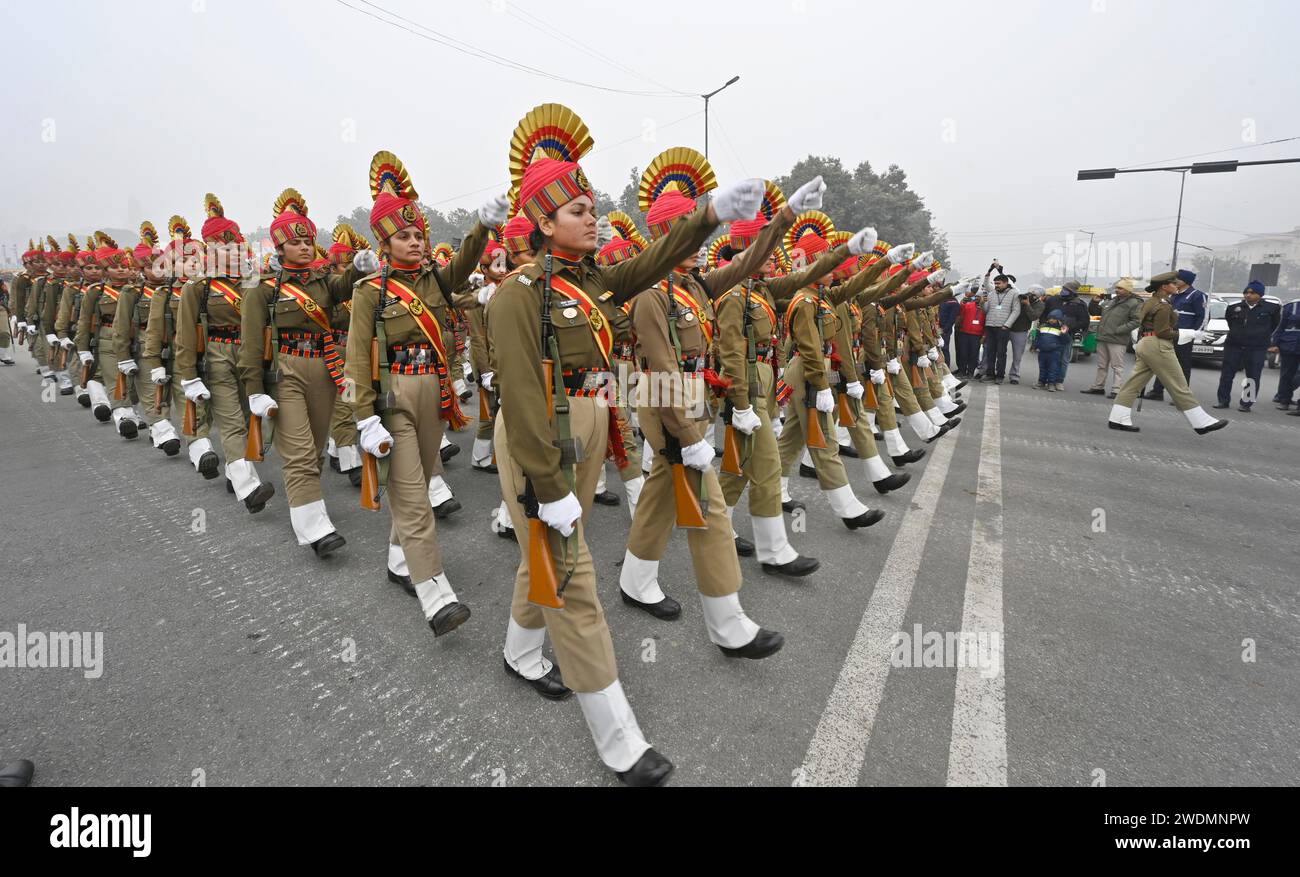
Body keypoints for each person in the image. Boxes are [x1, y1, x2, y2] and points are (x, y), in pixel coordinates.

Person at [490, 103, 766, 785]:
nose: (594, 218)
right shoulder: (517, 295)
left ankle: (520, 651)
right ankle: (619, 739)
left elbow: (657, 257)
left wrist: (711, 214)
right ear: (544, 223)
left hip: (591, 417)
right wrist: (546, 482)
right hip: (542, 432)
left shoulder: (594, 280)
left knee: (545, 551)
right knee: (570, 567)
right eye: (578, 210)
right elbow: (521, 398)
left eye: (592, 208)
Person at [345, 150, 502, 632]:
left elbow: (467, 259)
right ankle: (435, 591)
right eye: (404, 236)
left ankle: (399, 559)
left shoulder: (435, 279)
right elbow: (356, 360)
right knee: (413, 494)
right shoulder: (369, 292)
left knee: (415, 479)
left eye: (418, 235)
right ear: (384, 243)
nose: (414, 242)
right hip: (393, 398)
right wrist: (363, 417)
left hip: (435, 392)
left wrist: (482, 226)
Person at [239, 188, 368, 558]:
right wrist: (254, 388)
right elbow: (251, 342)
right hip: (286, 370)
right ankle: (314, 527)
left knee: (314, 447)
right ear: (279, 248)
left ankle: (309, 502)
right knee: (297, 451)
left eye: (309, 241)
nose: (305, 247)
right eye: (296, 242)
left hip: (325, 368)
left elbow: (342, 288)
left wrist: (358, 266)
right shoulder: (262, 287)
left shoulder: (321, 280)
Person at [174, 194, 276, 512]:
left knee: (247, 418)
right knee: (231, 421)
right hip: (218, 353)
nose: (231, 252)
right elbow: (185, 336)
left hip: (250, 354)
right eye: (222, 247)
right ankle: (249, 487)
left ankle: (235, 471)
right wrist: (189, 377)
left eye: (234, 246)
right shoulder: (198, 287)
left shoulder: (253, 283)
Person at [1108, 272, 1227, 435]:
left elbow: (1144, 325)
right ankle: (1201, 422)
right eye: (1173, 283)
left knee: (1133, 384)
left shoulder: (1151, 302)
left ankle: (1117, 418)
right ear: (1164, 287)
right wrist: (1193, 333)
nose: (1176, 285)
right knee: (1179, 385)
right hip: (1158, 345)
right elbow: (1163, 332)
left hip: (1146, 343)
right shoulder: (1163, 306)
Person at [114, 222, 182, 455]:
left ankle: (159, 428)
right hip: (145, 347)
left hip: (174, 346)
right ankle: (164, 431)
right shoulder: (132, 293)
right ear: (142, 269)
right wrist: (124, 357)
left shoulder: (175, 290)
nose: (160, 270)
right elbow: (121, 327)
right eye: (153, 266)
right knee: (152, 391)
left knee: (174, 392)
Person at [1214, 281, 1282, 412]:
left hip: (1256, 347)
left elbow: (1274, 325)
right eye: (1246, 292)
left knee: (1253, 376)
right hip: (1234, 345)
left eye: (1252, 293)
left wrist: (1260, 336)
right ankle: (1223, 400)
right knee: (1227, 374)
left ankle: (1246, 403)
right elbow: (1230, 322)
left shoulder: (1272, 308)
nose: (1248, 295)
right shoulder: (1234, 307)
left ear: (1260, 294)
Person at [1143, 268, 1206, 401]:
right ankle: (1157, 391)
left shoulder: (1197, 295)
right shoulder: (1174, 294)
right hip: (1170, 333)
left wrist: (1194, 333)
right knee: (1163, 362)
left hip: (1184, 335)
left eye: (1178, 279)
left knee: (1183, 365)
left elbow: (1203, 317)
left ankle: (1182, 395)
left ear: (1186, 281)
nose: (1175, 281)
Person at [1081, 278, 1142, 397]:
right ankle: (1098, 387)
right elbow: (1096, 312)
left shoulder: (1135, 303)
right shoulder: (1112, 301)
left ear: (1128, 290)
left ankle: (1116, 390)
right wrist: (1094, 303)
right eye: (1117, 288)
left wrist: (1118, 330)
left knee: (1117, 366)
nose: (1117, 290)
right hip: (1103, 337)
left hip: (1117, 339)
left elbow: (1137, 321)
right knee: (1101, 365)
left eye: (1120, 288)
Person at [1040, 280, 1090, 387]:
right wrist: (1044, 324)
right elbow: (1043, 314)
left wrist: (1069, 327)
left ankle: (1058, 381)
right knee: (1048, 358)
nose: (1063, 291)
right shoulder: (1052, 300)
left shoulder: (1079, 304)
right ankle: (1044, 380)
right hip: (1050, 335)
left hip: (1066, 335)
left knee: (1063, 360)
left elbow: (1084, 321)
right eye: (1063, 288)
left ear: (1073, 291)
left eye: (1066, 289)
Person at [976, 266, 1020, 383]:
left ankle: (1000, 375)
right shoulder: (991, 294)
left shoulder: (1014, 293)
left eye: (999, 283)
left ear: (1006, 283)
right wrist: (982, 303)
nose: (996, 285)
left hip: (1003, 327)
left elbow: (1016, 311)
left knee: (1001, 352)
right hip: (990, 326)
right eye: (995, 283)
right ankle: (990, 374)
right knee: (990, 352)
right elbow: (986, 310)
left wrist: (1007, 325)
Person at [1006, 284, 1044, 384]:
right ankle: (996, 372)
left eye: (1033, 295)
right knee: (999, 352)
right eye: (1030, 293)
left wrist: (1027, 305)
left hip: (1021, 331)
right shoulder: (1020, 297)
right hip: (1007, 327)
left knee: (1017, 356)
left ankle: (1014, 376)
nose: (1030, 296)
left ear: (1038, 296)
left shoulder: (1040, 304)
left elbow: (1034, 317)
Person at [1271, 296, 1300, 412]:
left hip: (1291, 343)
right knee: (1287, 375)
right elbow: (1281, 326)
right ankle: (1284, 400)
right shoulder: (1291, 306)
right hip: (1290, 345)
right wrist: (1275, 343)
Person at [1031, 309, 1067, 391]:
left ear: (1058, 319)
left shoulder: (1061, 328)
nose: (1051, 320)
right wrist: (1034, 346)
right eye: (1050, 318)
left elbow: (1065, 341)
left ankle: (1051, 383)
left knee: (1053, 368)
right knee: (1042, 367)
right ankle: (1041, 382)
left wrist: (1063, 333)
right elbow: (1037, 337)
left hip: (1054, 352)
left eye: (1054, 318)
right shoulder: (1042, 326)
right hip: (1042, 351)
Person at [954, 281, 984, 376]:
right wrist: (962, 303)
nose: (977, 299)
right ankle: (962, 371)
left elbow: (986, 323)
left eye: (979, 297)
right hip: (964, 332)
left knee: (973, 354)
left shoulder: (986, 308)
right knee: (963, 353)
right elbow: (960, 314)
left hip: (977, 335)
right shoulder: (968, 305)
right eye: (976, 297)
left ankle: (970, 372)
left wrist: (984, 335)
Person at [937, 290, 959, 365]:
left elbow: (952, 319)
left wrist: (944, 329)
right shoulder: (944, 300)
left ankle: (947, 367)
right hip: (938, 328)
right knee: (939, 349)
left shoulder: (954, 302)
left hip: (945, 330)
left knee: (944, 348)